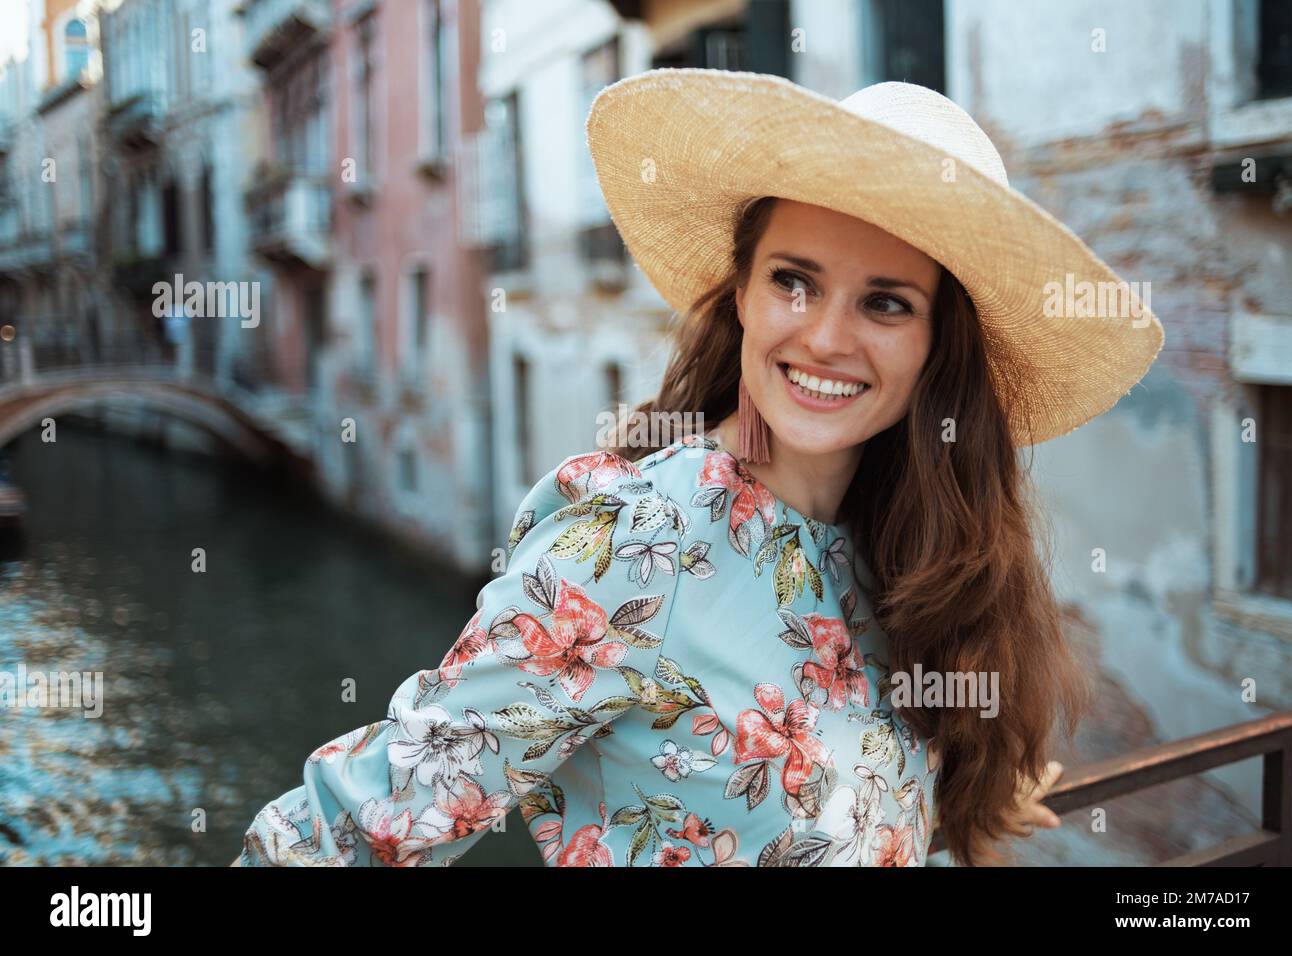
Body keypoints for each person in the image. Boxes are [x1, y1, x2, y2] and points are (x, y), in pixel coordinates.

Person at [235, 68, 1162, 867]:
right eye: (793, 280)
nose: (825, 338)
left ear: (937, 349)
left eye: (886, 303)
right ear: (745, 298)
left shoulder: (909, 550)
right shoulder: (637, 543)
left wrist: (971, 785)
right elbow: (350, 831)